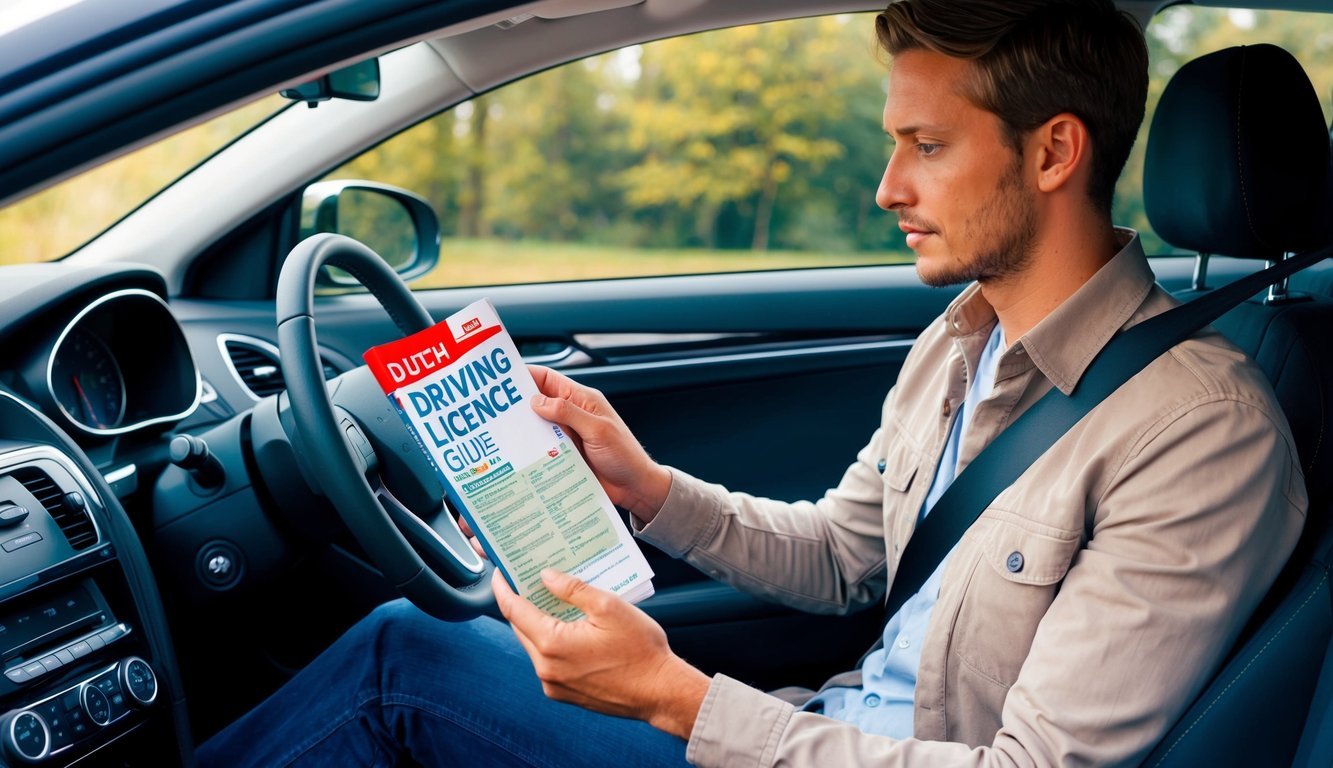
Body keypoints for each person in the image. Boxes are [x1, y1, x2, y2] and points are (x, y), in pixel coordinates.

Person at [198, 0, 1306, 765]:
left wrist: (679, 700)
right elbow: (846, 557)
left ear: (1053, 153)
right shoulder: (963, 337)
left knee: (405, 658)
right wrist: (647, 488)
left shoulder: (1199, 432)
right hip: (805, 730)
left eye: (925, 146)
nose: (886, 188)